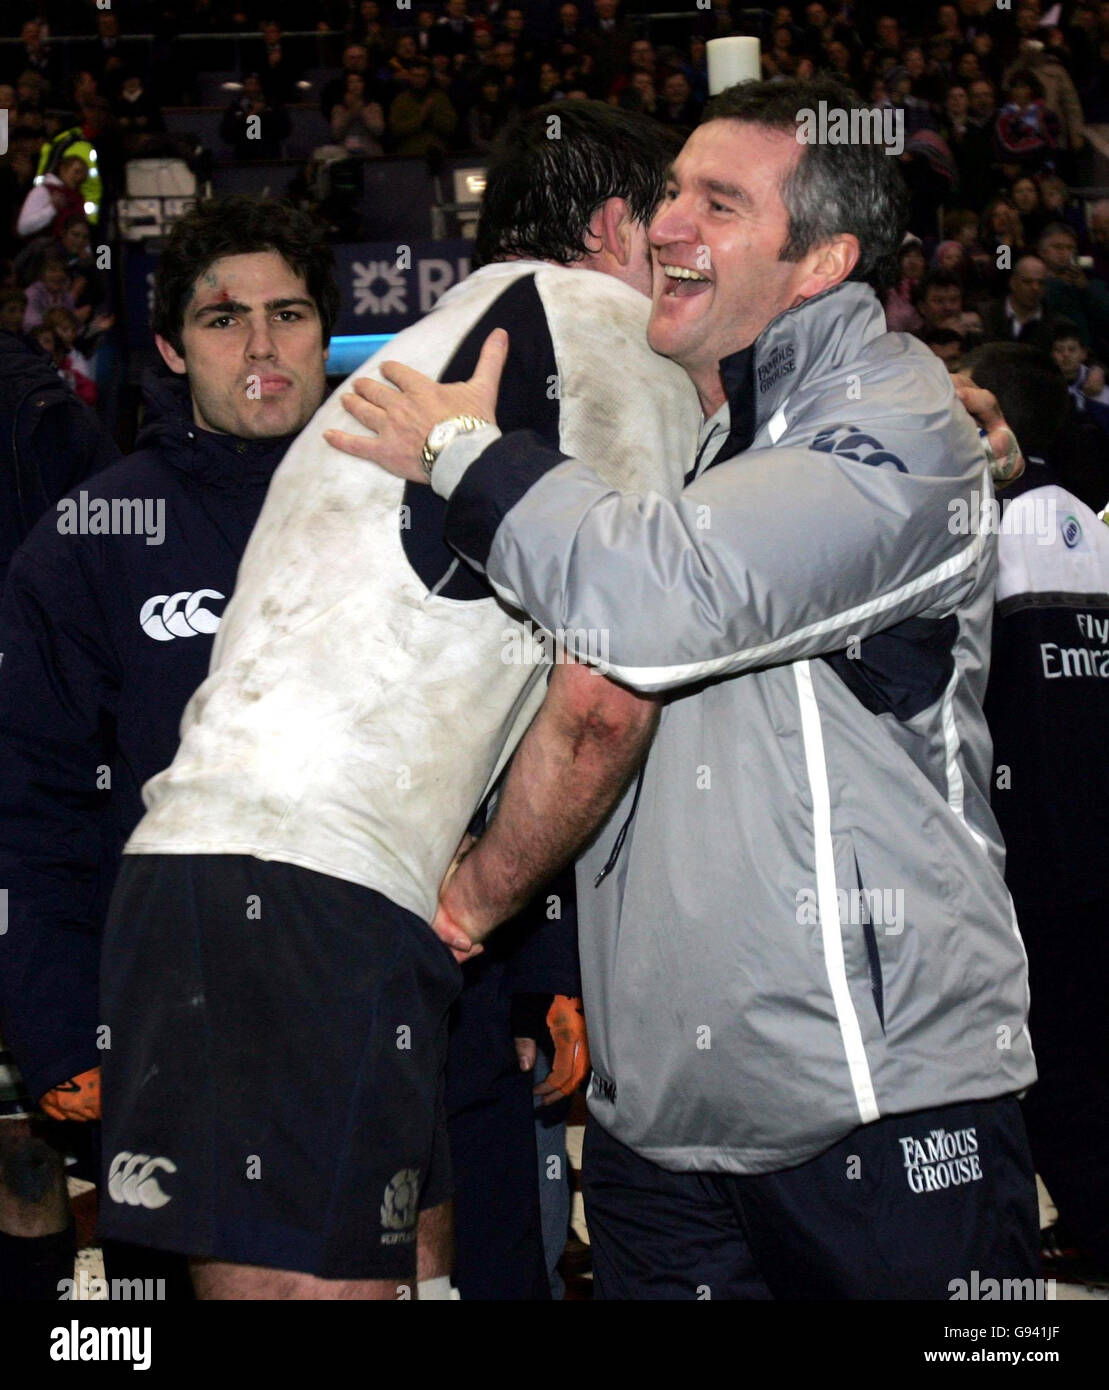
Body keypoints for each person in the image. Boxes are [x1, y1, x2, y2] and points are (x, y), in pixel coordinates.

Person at [337, 76, 1041, 1299]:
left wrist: (461, 451)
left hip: (876, 1111)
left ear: (822, 260)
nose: (667, 224)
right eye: (669, 192)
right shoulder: (704, 436)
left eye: (717, 203)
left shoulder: (903, 426)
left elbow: (655, 603)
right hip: (657, 1135)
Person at [95, 103, 700, 1301]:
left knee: (413, 1273)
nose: (693, 261)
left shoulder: (420, 346)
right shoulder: (610, 334)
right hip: (303, 893)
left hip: (246, 881)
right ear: (618, 224)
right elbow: (605, 696)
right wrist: (477, 897)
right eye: (680, 225)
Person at [0, 196, 334, 1302]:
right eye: (222, 319)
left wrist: (531, 976)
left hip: (388, 1003)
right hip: (171, 1021)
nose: (260, 347)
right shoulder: (93, 538)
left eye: (287, 314)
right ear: (168, 346)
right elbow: (32, 795)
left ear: (324, 333)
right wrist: (53, 1021)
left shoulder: (416, 516)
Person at [969, 342, 1109, 1276]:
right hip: (1089, 847)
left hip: (1040, 860)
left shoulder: (998, 531)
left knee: (1054, 1060)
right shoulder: (1092, 527)